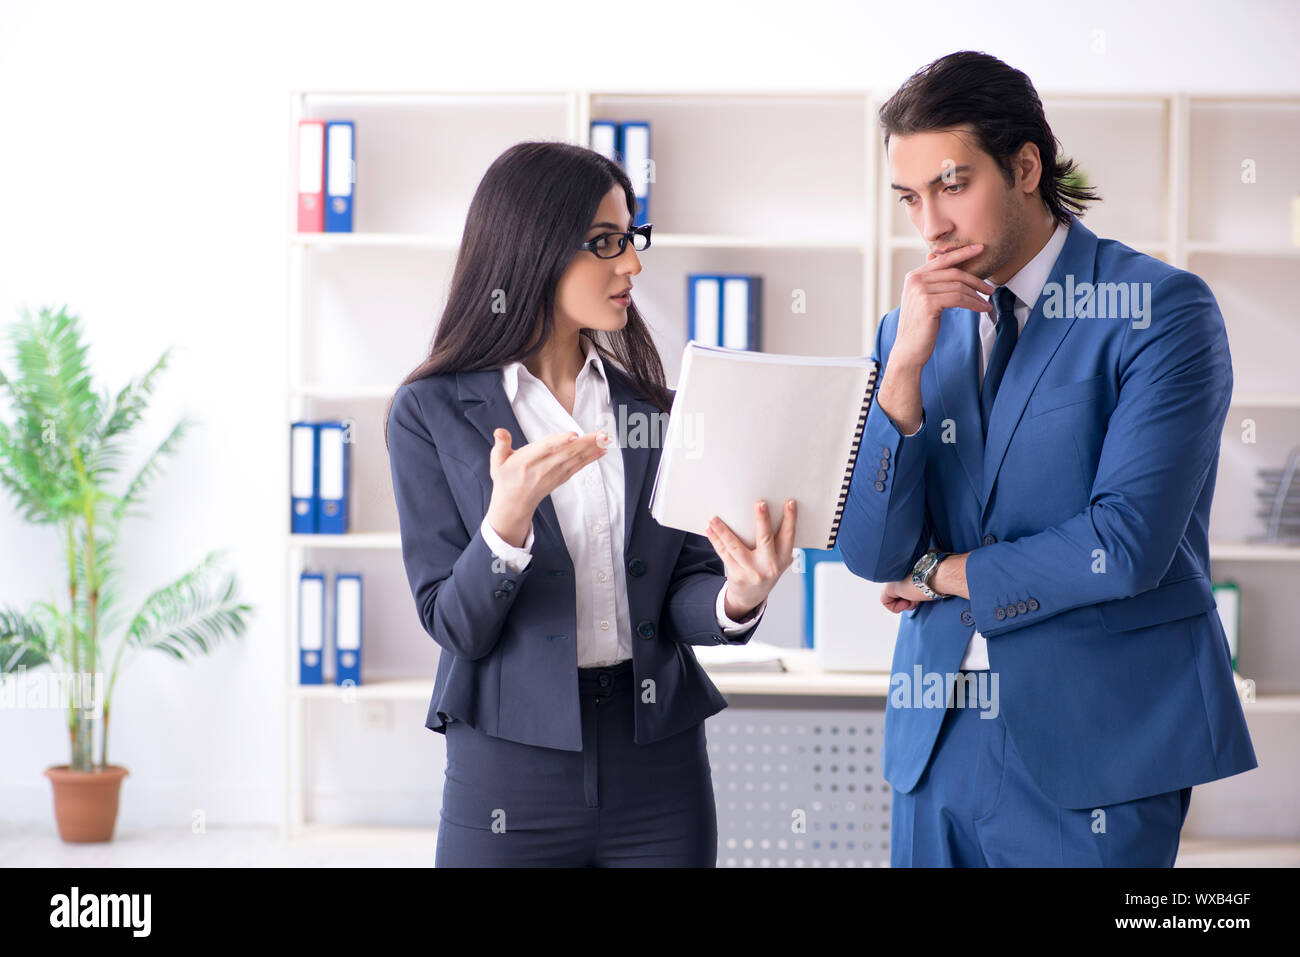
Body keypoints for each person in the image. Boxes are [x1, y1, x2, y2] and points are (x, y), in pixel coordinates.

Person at [837, 51, 1257, 867]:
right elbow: (873, 554)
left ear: (1026, 165)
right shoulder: (910, 331)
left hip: (1098, 746)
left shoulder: (1159, 310)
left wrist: (943, 573)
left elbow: (1126, 544)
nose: (930, 226)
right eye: (911, 198)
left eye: (953, 185)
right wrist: (901, 378)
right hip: (939, 737)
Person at [384, 141, 797, 867]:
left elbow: (679, 594)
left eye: (631, 238)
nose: (632, 263)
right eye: (606, 242)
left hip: (657, 768)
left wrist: (738, 595)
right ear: (534, 247)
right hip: (507, 771)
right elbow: (453, 623)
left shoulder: (656, 411)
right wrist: (505, 529)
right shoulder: (430, 412)